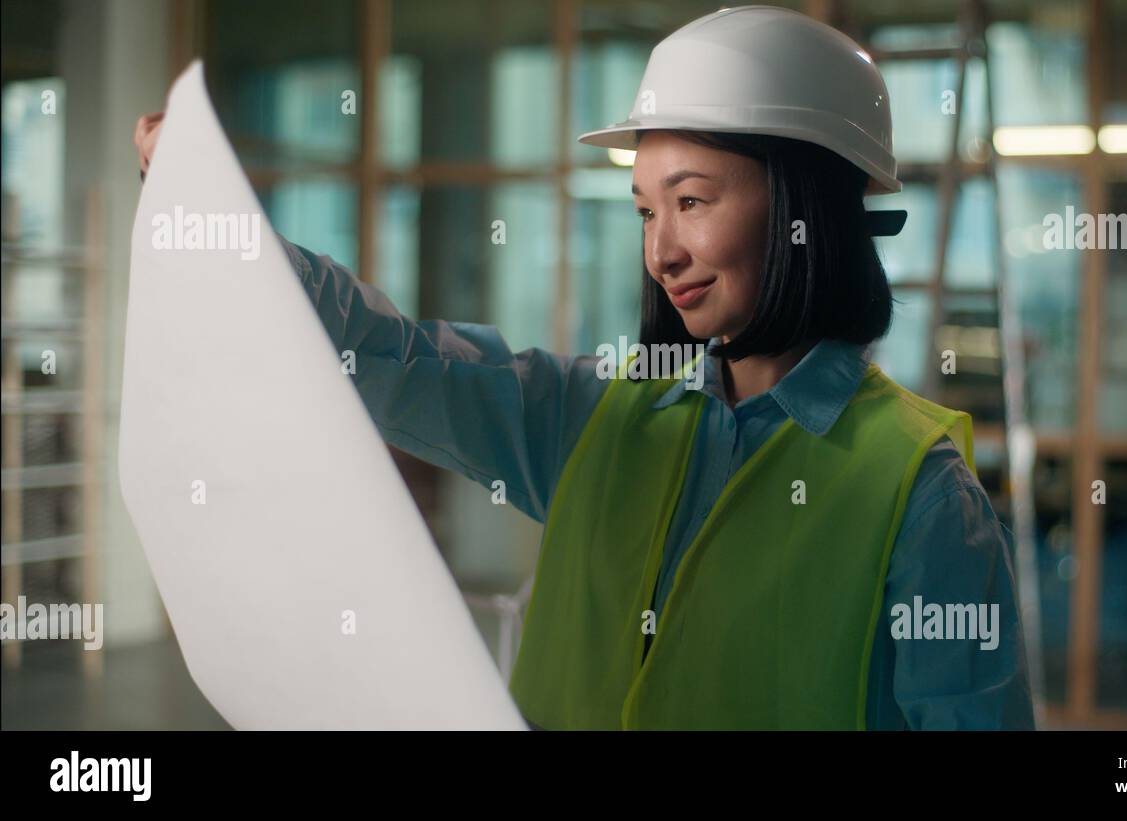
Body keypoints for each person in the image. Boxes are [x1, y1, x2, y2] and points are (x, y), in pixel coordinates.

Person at [135, 5, 1034, 730]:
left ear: (810, 210)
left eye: (692, 201)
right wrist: (232, 234)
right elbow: (395, 359)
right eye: (646, 211)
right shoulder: (592, 420)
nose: (663, 253)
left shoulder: (922, 503)